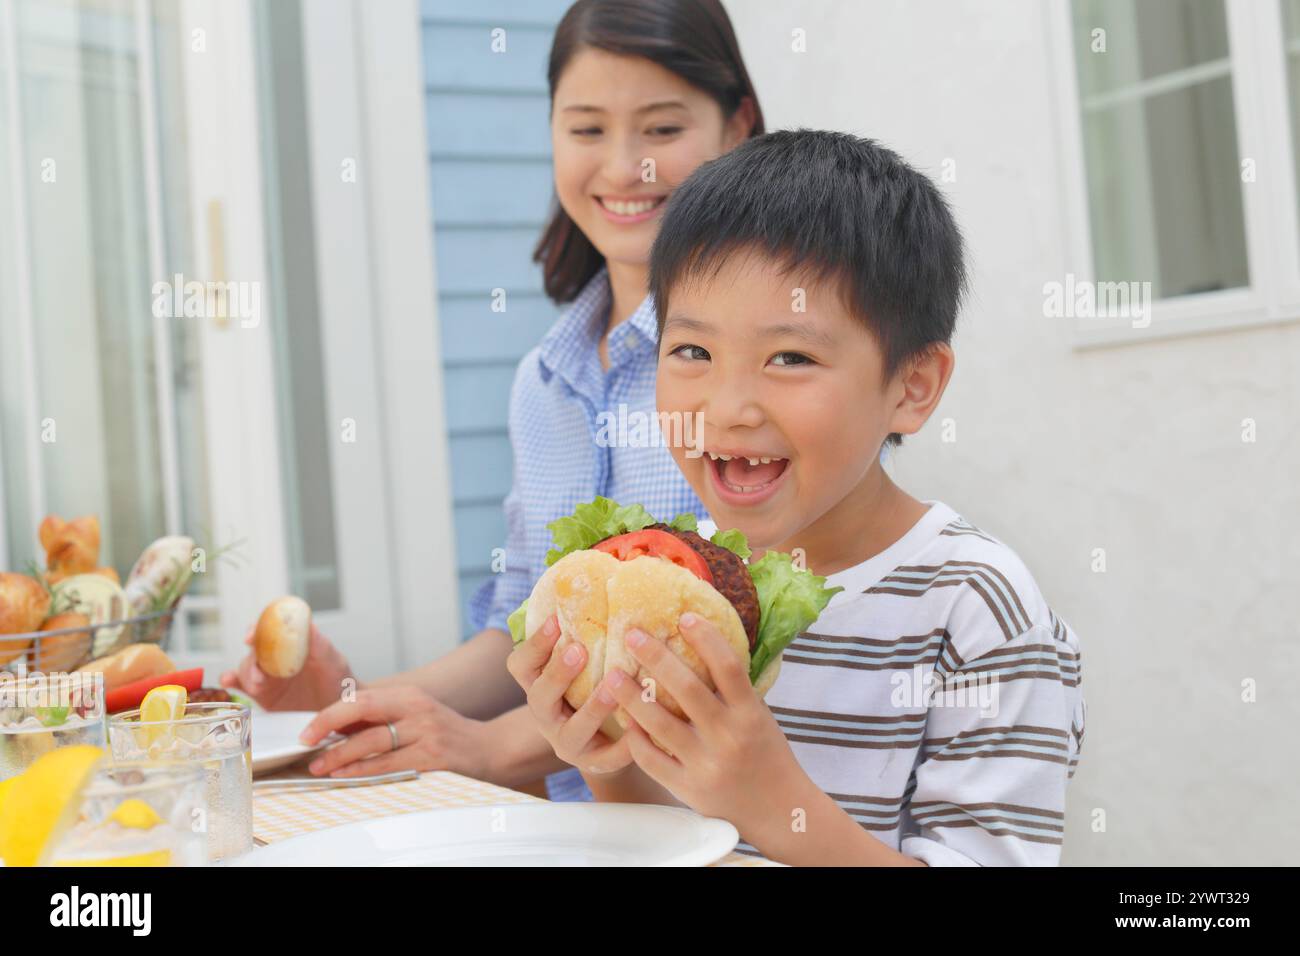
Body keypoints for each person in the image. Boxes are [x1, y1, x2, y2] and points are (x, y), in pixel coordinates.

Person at [220, 0, 764, 797]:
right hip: (575, 833)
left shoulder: (755, 367)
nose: (622, 168)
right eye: (585, 130)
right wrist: (356, 706)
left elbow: (738, 643)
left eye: (660, 129)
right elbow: (527, 633)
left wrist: (489, 750)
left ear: (737, 125)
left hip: (710, 826)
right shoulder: (542, 380)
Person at [507, 130, 1086, 863]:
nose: (728, 408)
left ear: (912, 386)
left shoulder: (976, 605)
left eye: (790, 357)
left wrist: (773, 800)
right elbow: (683, 840)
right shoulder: (693, 579)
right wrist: (604, 752)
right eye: (692, 352)